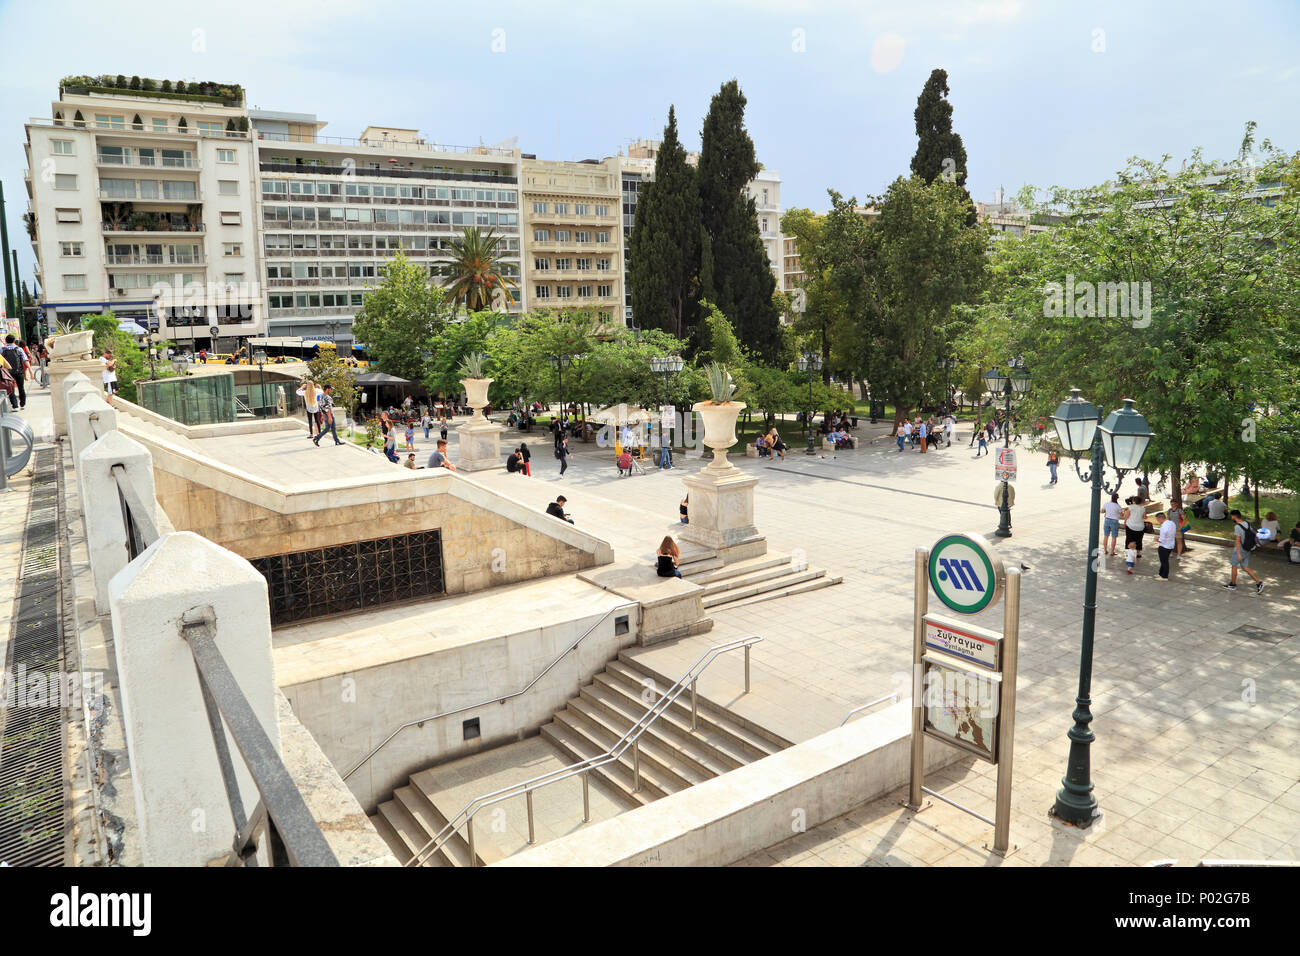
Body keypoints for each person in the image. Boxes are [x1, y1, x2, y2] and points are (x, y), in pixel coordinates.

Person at [1223, 510, 1265, 594]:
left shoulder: (1237, 527)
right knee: (1245, 567)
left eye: (1232, 516)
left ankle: (1233, 584)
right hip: (1247, 549)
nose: (1232, 518)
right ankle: (1259, 583)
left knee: (1234, 566)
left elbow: (1238, 541)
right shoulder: (1247, 523)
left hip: (1240, 550)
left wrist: (1238, 554)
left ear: (1234, 516)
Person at [2, 335, 28, 408]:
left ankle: (15, 405)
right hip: (19, 371)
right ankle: (22, 404)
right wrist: (30, 370)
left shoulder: (2, 349)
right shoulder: (19, 349)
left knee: (11, 388)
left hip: (7, 373)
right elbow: (25, 360)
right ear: (14, 341)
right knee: (21, 387)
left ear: (6, 341)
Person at [1122, 496, 1147, 562]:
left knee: (1129, 538)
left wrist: (1125, 522)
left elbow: (1127, 516)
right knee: (1139, 539)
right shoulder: (1143, 508)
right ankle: (1138, 553)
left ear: (1134, 501)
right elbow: (1145, 517)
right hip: (1140, 527)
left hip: (1130, 525)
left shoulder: (1130, 507)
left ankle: (1130, 553)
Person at [1155, 511, 1177, 581]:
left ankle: (1164, 576)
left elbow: (1162, 540)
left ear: (1160, 518)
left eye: (1157, 519)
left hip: (1164, 546)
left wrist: (1157, 539)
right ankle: (1160, 573)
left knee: (1164, 562)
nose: (1157, 521)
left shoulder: (1163, 527)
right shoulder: (1172, 523)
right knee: (1164, 561)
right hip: (1170, 544)